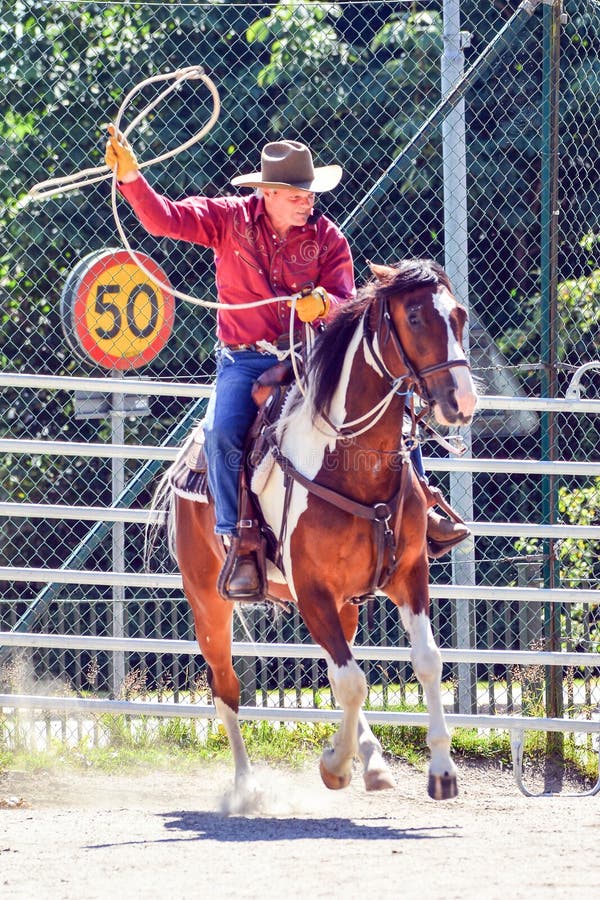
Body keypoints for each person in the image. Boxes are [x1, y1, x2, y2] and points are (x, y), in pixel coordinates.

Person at [105, 131, 469, 599]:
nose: (308, 203)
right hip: (245, 359)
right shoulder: (227, 220)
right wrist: (131, 177)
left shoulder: (327, 238)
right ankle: (239, 538)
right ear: (268, 194)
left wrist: (325, 305)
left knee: (391, 396)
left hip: (310, 355)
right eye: (298, 196)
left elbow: (343, 297)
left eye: (311, 194)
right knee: (221, 431)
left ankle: (424, 502)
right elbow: (162, 219)